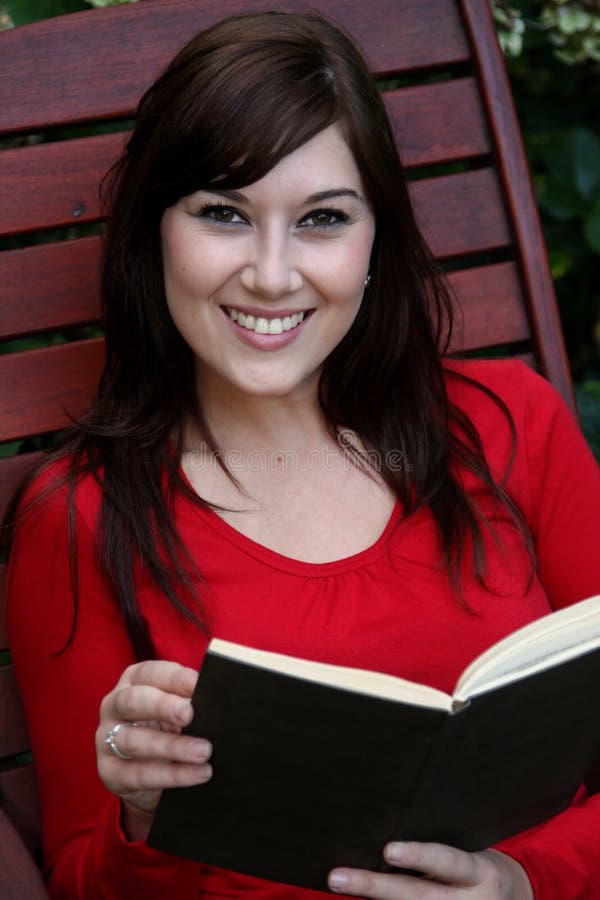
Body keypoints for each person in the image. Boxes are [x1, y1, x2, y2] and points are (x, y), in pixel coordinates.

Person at [4, 9, 600, 900]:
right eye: (223, 213)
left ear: (375, 240)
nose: (273, 275)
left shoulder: (513, 423)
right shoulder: (81, 519)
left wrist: (524, 882)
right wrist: (142, 817)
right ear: (154, 232)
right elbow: (79, 880)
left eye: (322, 218)